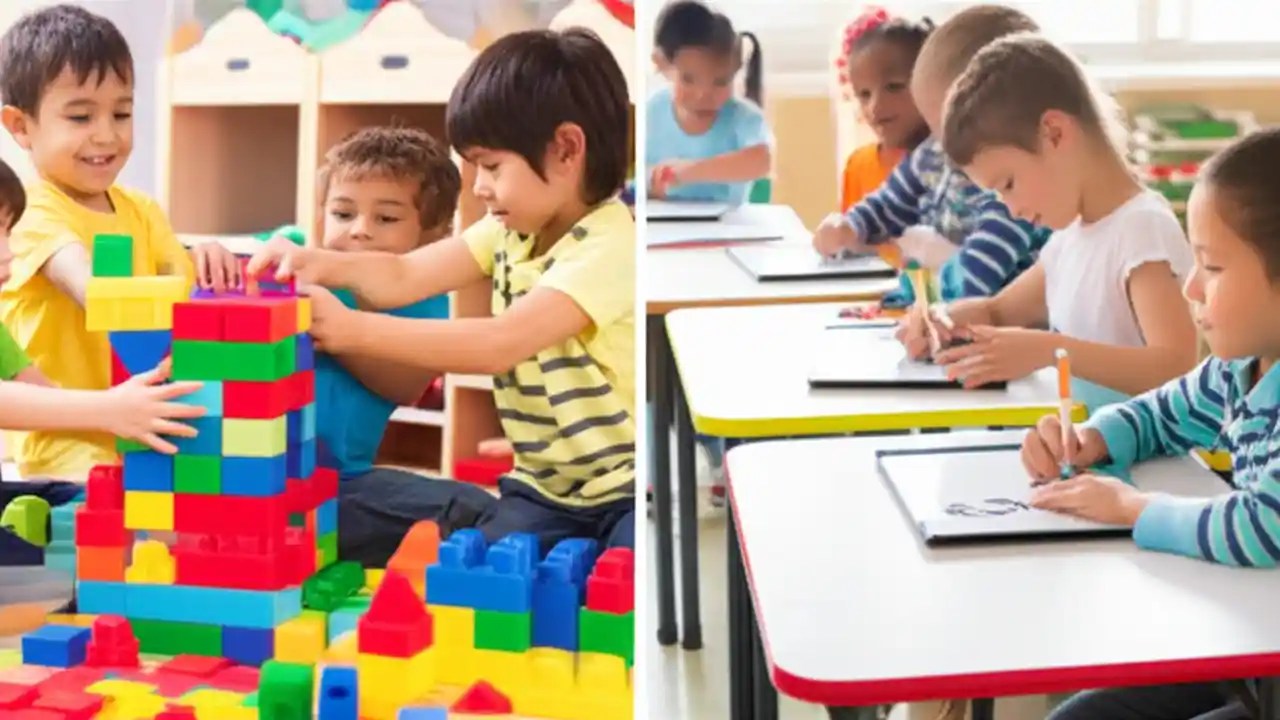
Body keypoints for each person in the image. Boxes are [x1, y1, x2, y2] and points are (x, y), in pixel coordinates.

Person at [249, 28, 635, 554]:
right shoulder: (507, 232)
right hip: (545, 491)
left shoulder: (611, 246)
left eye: (492, 167)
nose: (478, 187)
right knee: (483, 576)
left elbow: (500, 342)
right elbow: (402, 276)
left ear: (566, 149)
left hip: (628, 490)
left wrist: (349, 328)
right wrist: (313, 262)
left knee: (623, 586)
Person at [1019, 127, 1280, 720]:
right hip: (1250, 650)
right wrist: (1092, 439)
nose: (1190, 287)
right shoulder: (1237, 370)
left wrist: (1131, 508)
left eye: (1211, 267)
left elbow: (1264, 526)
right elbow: (1157, 415)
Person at [895, 33, 1197, 410]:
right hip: (1089, 448)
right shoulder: (1070, 237)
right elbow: (998, 311)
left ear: (1054, 133)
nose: (1011, 209)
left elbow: (1175, 366)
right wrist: (943, 320)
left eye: (1008, 185)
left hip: (1152, 460)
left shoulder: (1141, 229)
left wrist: (1050, 350)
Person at [0, 4, 237, 482]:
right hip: (64, 436)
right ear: (21, 126)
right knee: (125, 514)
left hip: (150, 415)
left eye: (122, 113)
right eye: (81, 116)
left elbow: (185, 299)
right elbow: (95, 290)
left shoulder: (142, 211)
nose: (107, 135)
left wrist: (206, 264)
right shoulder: (33, 215)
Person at [306, 125, 496, 566]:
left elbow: (404, 383)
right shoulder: (307, 274)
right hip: (255, 481)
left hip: (336, 488)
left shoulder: (421, 300)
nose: (359, 231)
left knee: (473, 508)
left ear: (434, 236)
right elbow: (270, 246)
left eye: (386, 218)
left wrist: (336, 328)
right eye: (342, 213)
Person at [812, 4, 1050, 310]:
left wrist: (920, 292)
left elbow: (976, 279)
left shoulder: (1010, 186)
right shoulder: (934, 152)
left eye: (946, 122)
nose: (938, 138)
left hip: (994, 322)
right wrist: (851, 227)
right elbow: (890, 204)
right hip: (949, 307)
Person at [647, 0, 771, 205]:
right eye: (688, 79)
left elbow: (761, 161)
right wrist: (651, 185)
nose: (703, 94)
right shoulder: (651, 112)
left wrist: (691, 171)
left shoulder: (743, 118)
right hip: (663, 227)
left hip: (728, 228)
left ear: (735, 69)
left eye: (720, 82)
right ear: (662, 64)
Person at [836, 6, 932, 211]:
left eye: (893, 87)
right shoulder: (859, 166)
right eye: (864, 94)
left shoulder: (952, 168)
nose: (875, 107)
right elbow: (849, 239)